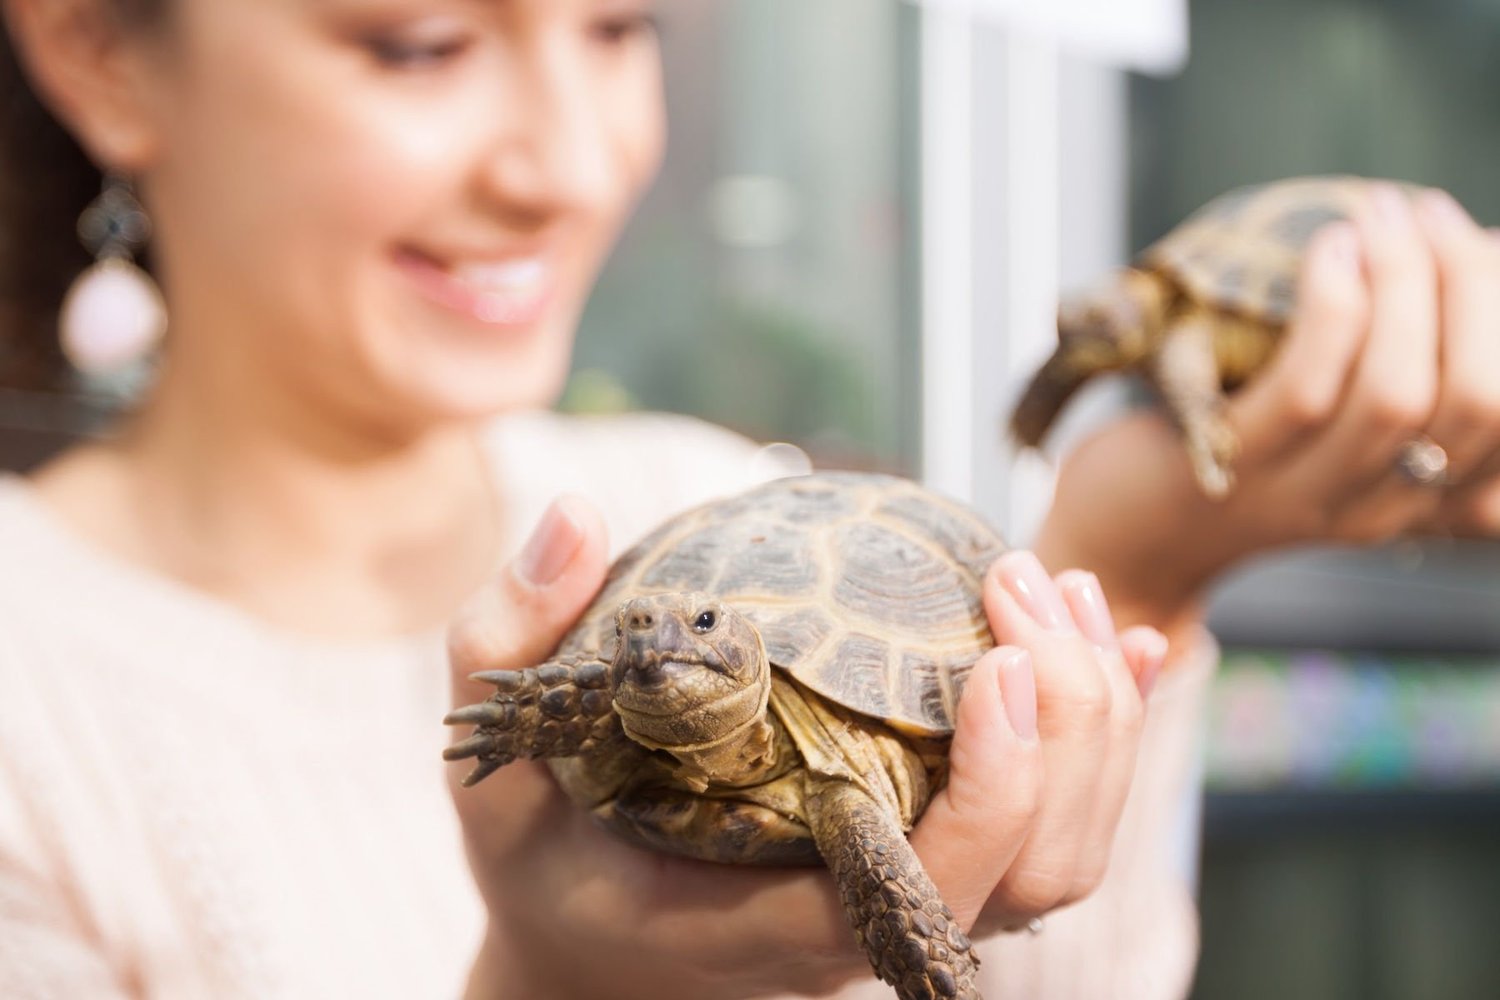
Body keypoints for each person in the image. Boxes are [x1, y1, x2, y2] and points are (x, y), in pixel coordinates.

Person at [0, 1, 1494, 998]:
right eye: (423, 42)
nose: (572, 163)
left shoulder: (694, 496)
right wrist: (556, 985)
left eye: (620, 26)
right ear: (98, 51)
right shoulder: (36, 714)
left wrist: (1141, 558)